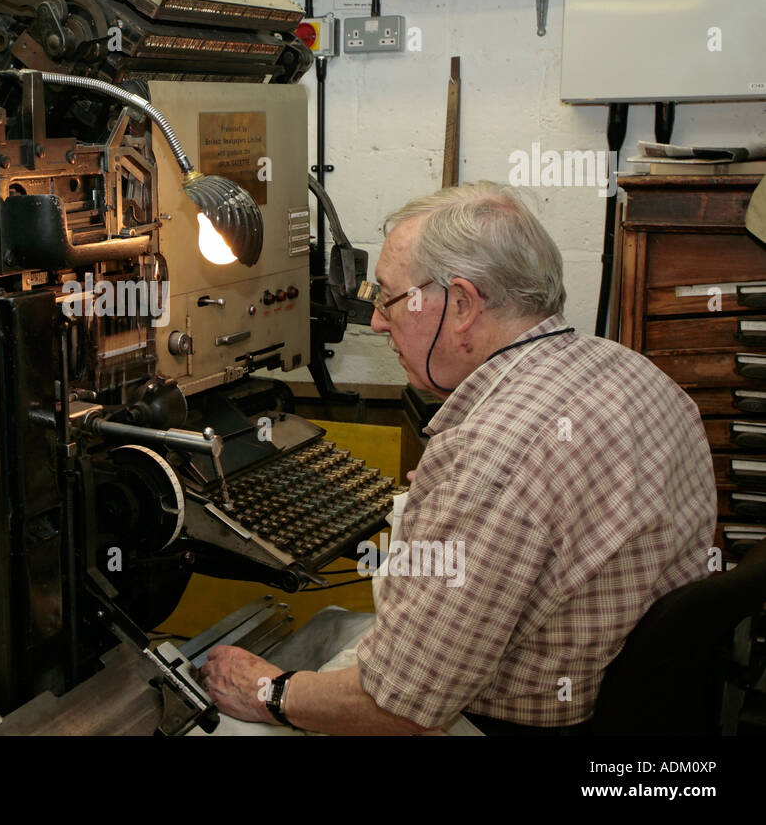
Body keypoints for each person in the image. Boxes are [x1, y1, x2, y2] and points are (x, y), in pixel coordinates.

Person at [199, 184, 717, 734]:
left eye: (391, 300)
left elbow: (399, 712)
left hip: (518, 725)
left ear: (464, 305)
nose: (376, 323)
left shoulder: (492, 452)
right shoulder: (632, 371)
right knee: (332, 627)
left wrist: (269, 694)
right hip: (640, 717)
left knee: (220, 719)